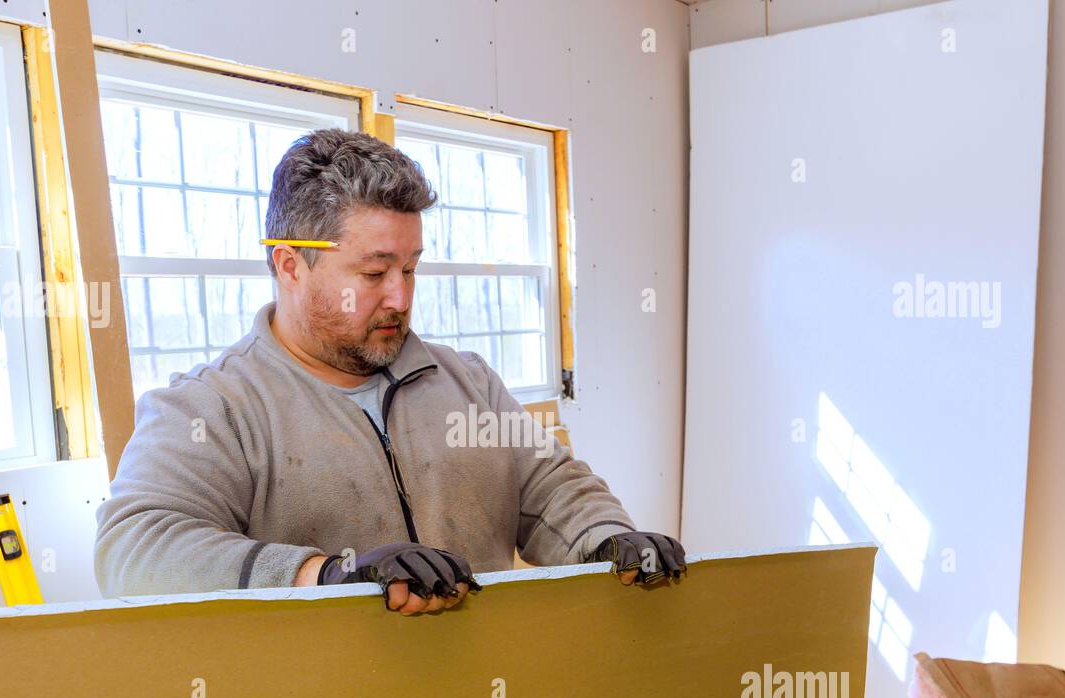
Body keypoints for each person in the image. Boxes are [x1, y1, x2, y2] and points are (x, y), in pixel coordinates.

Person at [94, 128, 686, 615]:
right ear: (291, 265)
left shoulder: (468, 383)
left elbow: (552, 489)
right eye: (374, 274)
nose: (401, 298)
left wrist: (608, 540)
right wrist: (324, 575)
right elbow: (133, 551)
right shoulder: (211, 409)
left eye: (411, 268)